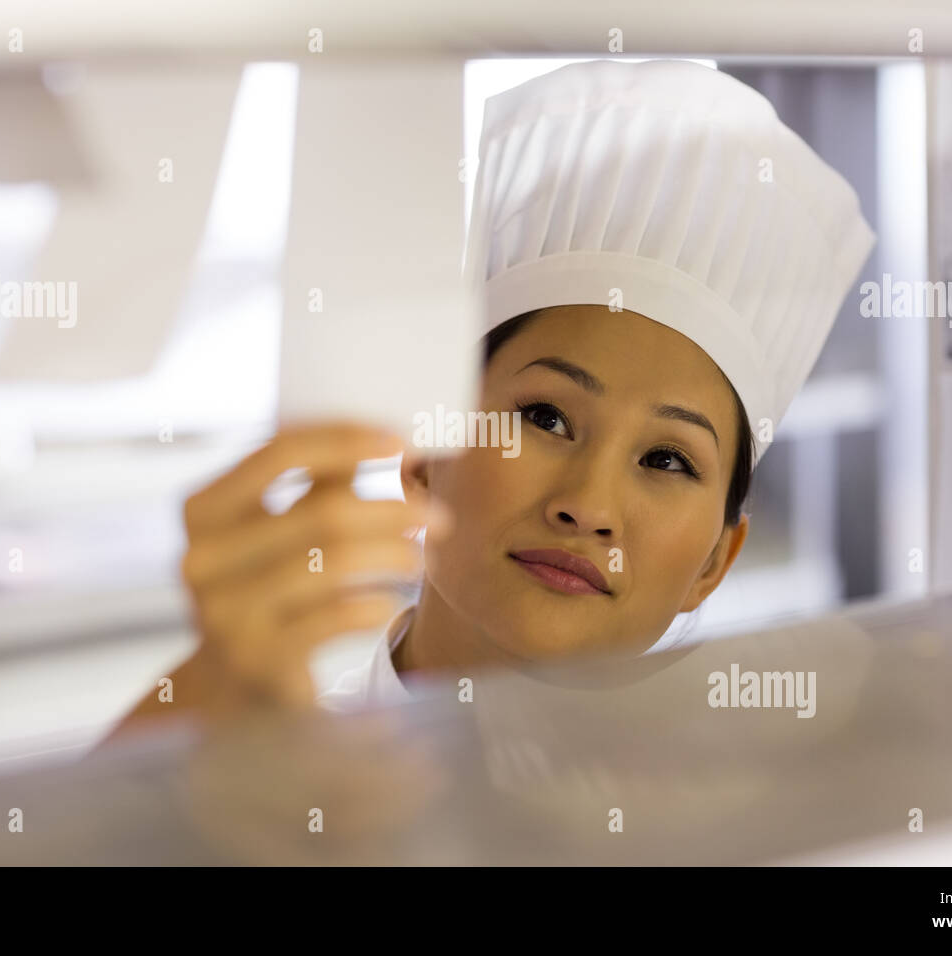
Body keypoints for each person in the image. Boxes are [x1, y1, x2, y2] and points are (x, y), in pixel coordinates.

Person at [105, 58, 874, 738]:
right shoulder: (259, 758)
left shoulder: (748, 830)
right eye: (545, 418)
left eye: (668, 459)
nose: (589, 505)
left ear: (714, 562)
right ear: (424, 457)